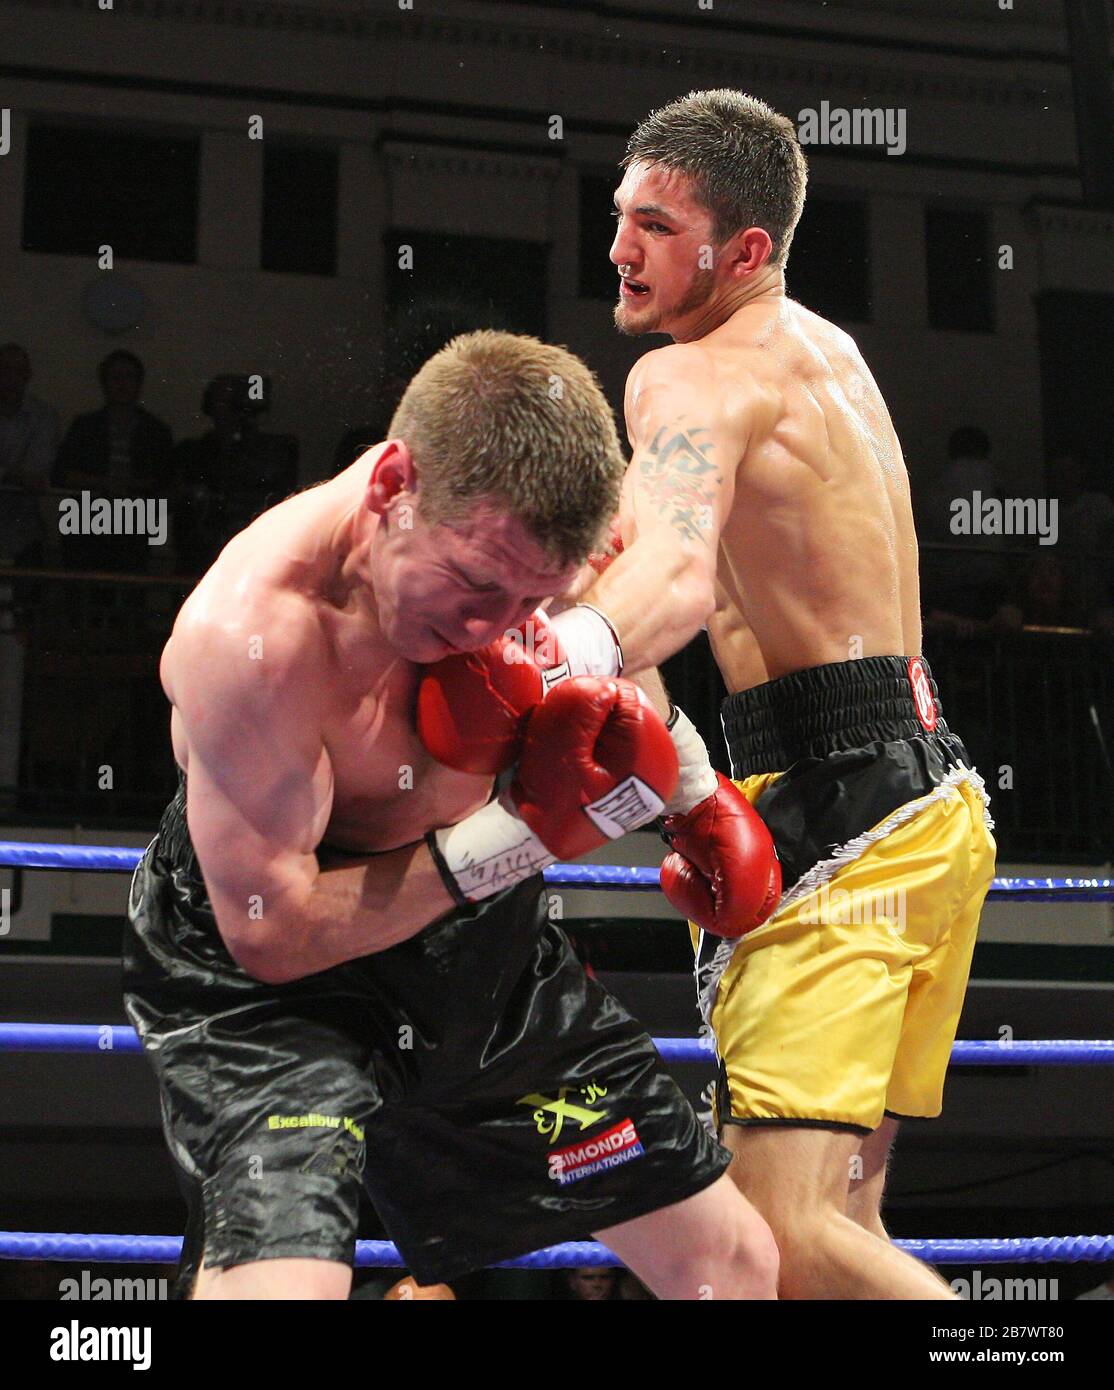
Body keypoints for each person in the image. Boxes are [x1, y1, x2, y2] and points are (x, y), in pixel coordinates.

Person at [122, 329, 779, 1302]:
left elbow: (639, 616)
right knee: (281, 1289)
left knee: (730, 1262)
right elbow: (272, 933)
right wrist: (522, 836)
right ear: (393, 487)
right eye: (474, 586)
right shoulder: (256, 640)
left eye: (531, 602)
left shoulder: (526, 545)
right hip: (279, 986)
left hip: (478, 956)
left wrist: (689, 788)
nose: (492, 631)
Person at [544, 88, 996, 1298]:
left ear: (743, 250)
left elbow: (677, 583)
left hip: (841, 815)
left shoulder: (685, 379)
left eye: (654, 224)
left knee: (779, 1238)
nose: (618, 248)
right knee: (848, 1214)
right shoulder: (823, 351)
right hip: (928, 794)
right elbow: (663, 555)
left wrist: (559, 656)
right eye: (618, 216)